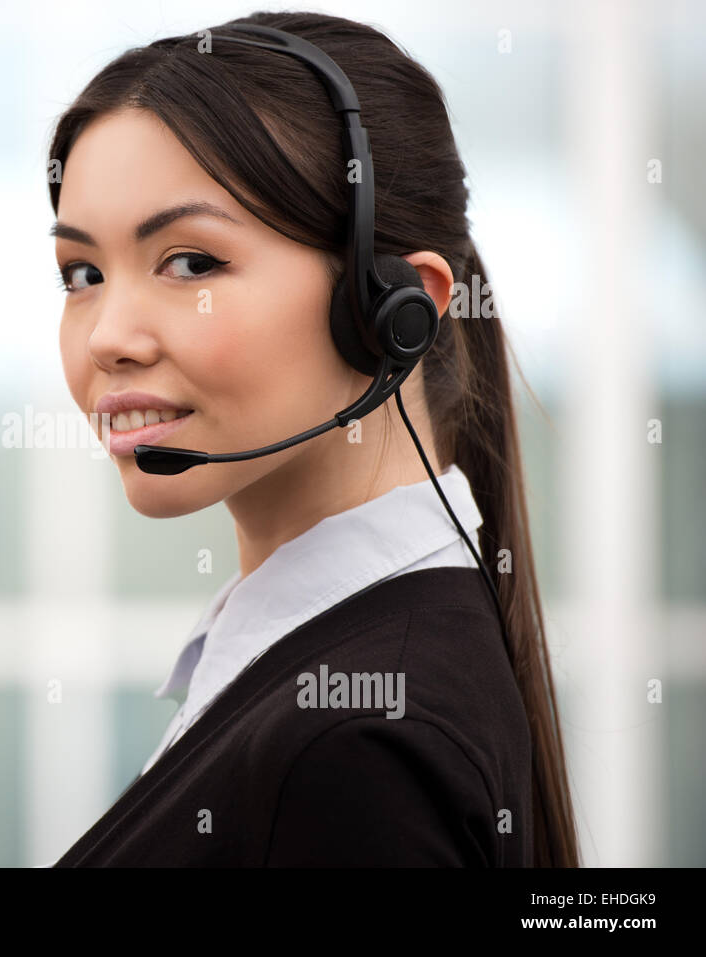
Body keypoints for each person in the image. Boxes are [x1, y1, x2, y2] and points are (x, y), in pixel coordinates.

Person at [46, 10, 578, 866]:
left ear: (393, 309)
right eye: (83, 273)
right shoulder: (330, 678)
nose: (108, 334)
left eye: (191, 263)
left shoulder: (357, 747)